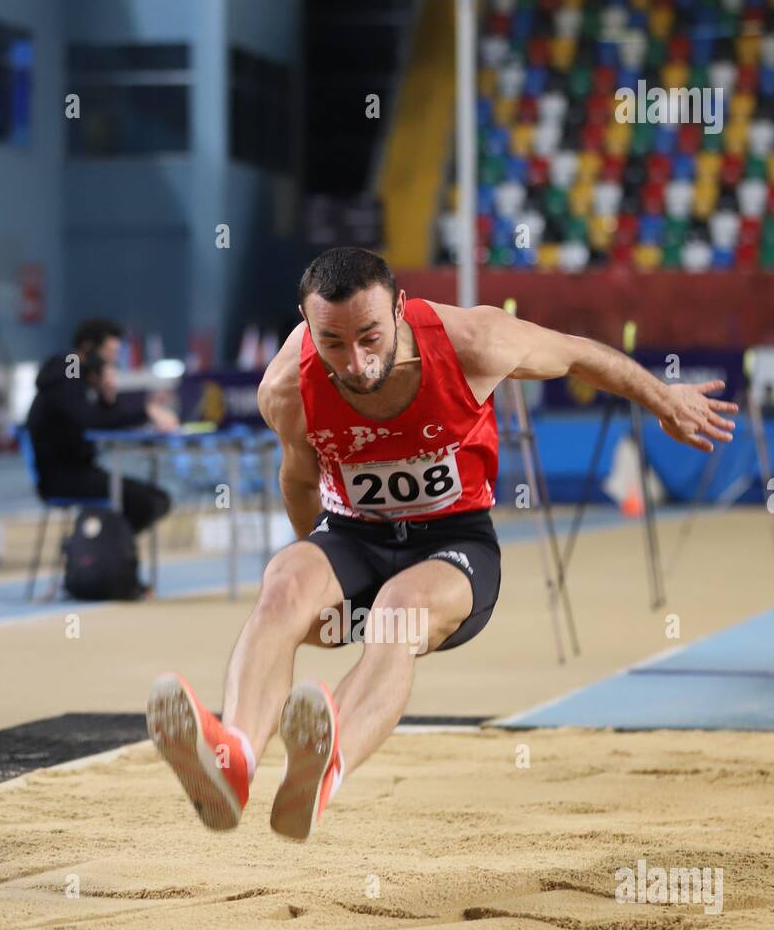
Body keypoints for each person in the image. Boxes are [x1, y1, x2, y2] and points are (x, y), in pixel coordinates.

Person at [146, 247, 737, 841]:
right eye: (333, 343)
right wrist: (320, 598)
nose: (355, 361)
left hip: (454, 544)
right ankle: (235, 759)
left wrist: (666, 400)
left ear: (401, 309)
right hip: (353, 534)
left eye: (370, 336)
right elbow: (299, 480)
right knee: (282, 584)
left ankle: (327, 762)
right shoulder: (287, 385)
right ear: (305, 325)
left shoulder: (474, 342)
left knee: (397, 614)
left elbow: (578, 354)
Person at [27, 317, 178, 540]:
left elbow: (98, 418)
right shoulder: (67, 371)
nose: (113, 361)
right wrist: (146, 411)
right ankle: (93, 548)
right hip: (62, 476)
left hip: (82, 470)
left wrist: (107, 396)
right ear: (89, 348)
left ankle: (99, 548)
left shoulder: (81, 377)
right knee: (146, 502)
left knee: (158, 499)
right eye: (110, 353)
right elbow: (90, 420)